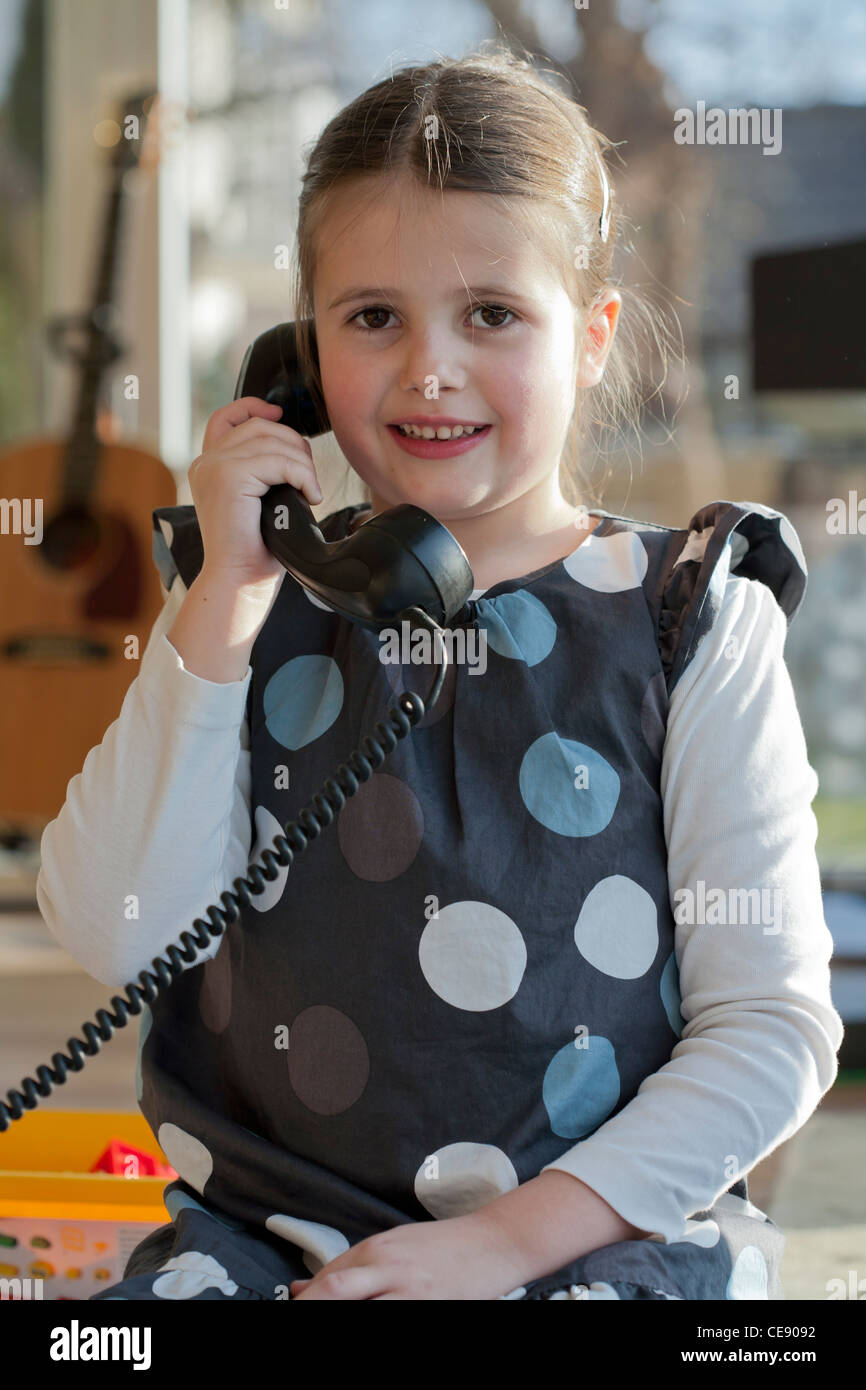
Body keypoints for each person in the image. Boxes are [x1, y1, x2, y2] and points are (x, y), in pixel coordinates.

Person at [38, 43, 842, 1301]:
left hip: (593, 1236)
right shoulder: (248, 605)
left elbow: (771, 1028)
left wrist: (508, 1244)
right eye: (371, 318)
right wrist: (230, 595)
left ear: (591, 337)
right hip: (269, 1245)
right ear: (295, 361)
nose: (428, 368)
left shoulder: (692, 616)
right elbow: (111, 928)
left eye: (492, 314)